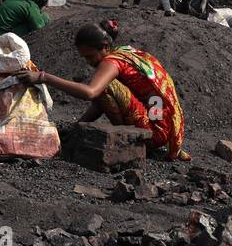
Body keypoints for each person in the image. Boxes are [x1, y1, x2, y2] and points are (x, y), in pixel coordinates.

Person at [22, 20, 189, 161]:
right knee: (107, 88)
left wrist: (43, 77)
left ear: (105, 46)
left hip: (153, 134)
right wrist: (76, 129)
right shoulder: (126, 53)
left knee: (106, 86)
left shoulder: (111, 62)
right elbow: (102, 103)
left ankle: (134, 140)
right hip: (162, 126)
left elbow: (91, 93)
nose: (88, 62)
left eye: (89, 56)